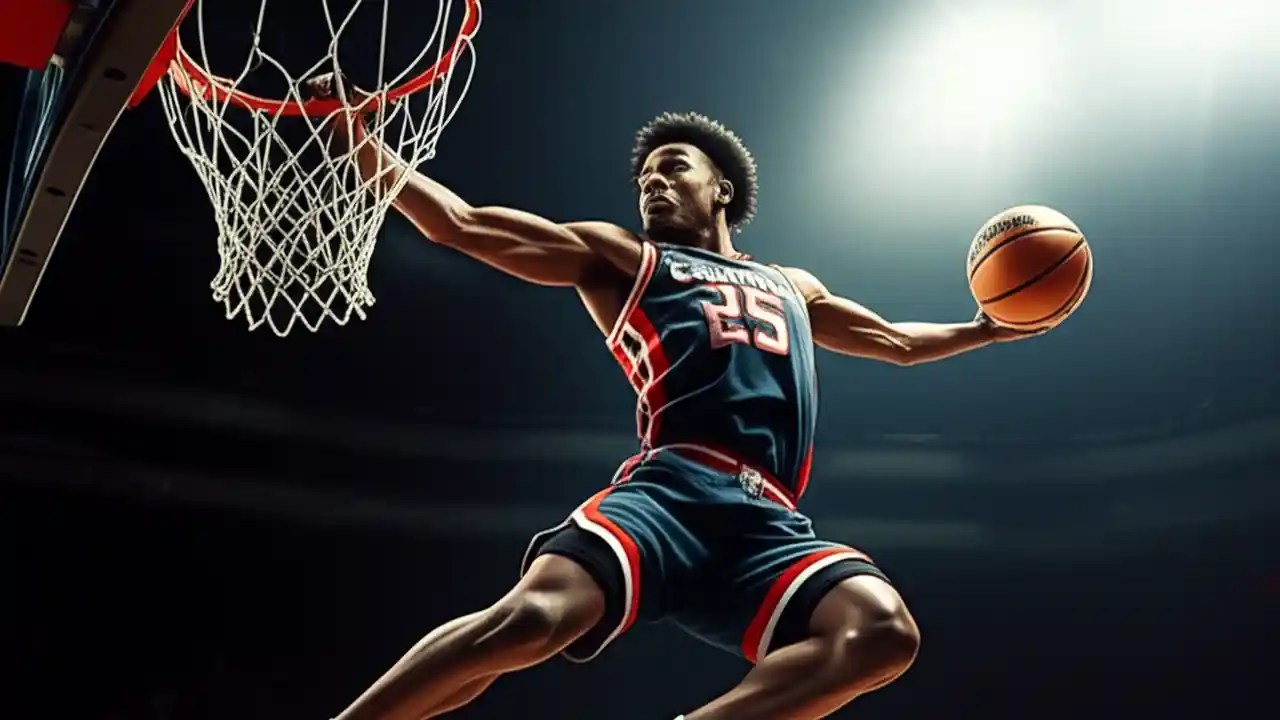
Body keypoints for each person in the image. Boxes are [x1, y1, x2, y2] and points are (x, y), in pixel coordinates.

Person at [314, 75, 1040, 720]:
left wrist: (986, 329)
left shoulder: (795, 285)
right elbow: (461, 225)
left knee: (881, 633)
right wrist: (360, 143)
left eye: (673, 168)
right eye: (644, 179)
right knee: (531, 621)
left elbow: (898, 343)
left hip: (768, 520)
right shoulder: (622, 256)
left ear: (720, 187)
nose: (651, 184)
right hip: (671, 490)